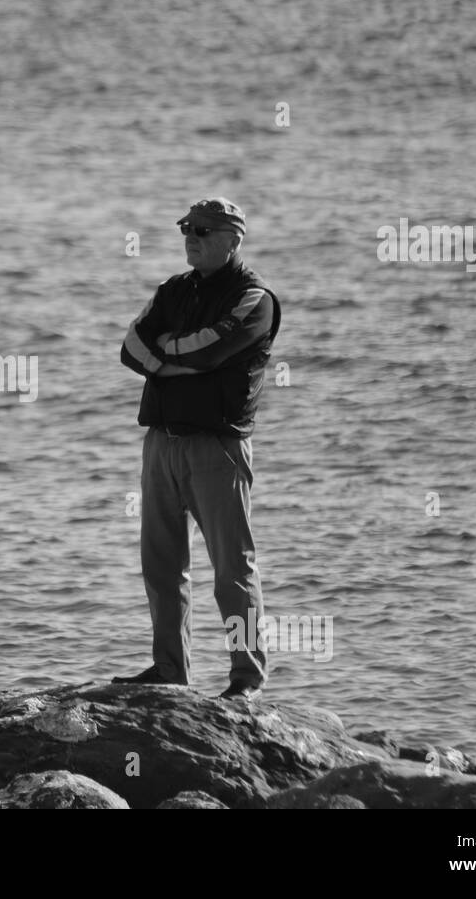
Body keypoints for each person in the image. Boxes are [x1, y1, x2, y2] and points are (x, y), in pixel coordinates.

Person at [116, 197, 282, 700]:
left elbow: (213, 350)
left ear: (234, 239)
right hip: (162, 442)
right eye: (188, 227)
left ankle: (247, 678)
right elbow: (130, 347)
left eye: (205, 230)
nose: (192, 236)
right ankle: (169, 670)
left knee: (233, 569)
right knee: (161, 564)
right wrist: (174, 357)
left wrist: (164, 354)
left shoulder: (256, 298)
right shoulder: (173, 290)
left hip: (218, 447)